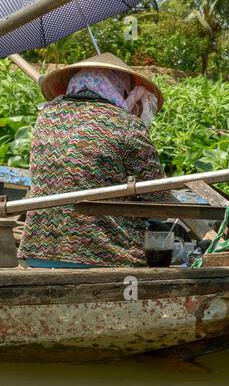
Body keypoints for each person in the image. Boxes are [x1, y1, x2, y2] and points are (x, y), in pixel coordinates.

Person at [17, 52, 169, 269]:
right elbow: (160, 200)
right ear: (119, 89)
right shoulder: (127, 125)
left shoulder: (45, 118)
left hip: (37, 252)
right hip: (105, 258)